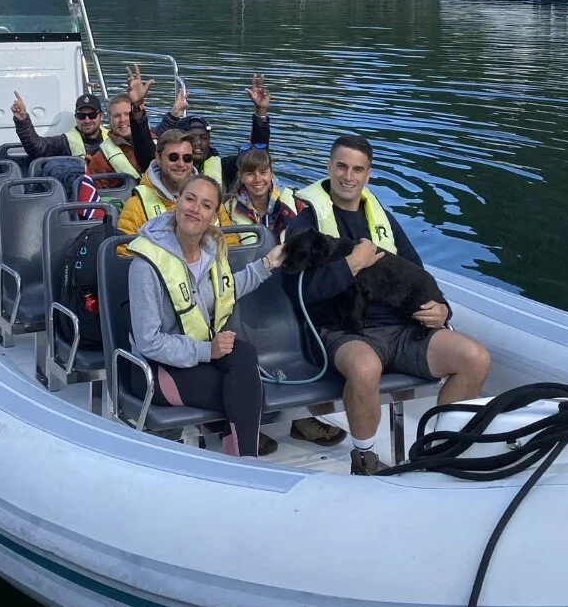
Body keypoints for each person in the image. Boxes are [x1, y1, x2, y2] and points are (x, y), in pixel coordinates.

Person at [284, 135, 491, 475]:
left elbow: (416, 274)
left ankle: (439, 449)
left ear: (368, 175)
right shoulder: (305, 225)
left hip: (400, 329)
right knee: (366, 367)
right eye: (342, 166)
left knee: (475, 358)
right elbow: (298, 293)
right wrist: (351, 265)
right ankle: (364, 457)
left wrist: (442, 310)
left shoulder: (382, 219)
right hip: (342, 331)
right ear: (329, 167)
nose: (349, 176)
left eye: (358, 169)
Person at [127, 177, 286, 458]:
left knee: (243, 354)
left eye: (206, 205)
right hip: (155, 368)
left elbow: (225, 291)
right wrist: (206, 350)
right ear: (177, 200)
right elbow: (148, 342)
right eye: (190, 199)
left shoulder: (209, 251)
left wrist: (267, 264)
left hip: (197, 356)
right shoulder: (146, 264)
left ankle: (242, 456)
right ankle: (247, 461)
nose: (195, 209)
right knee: (245, 395)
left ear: (214, 217)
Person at [226, 150, 346, 450]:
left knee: (304, 335)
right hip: (245, 287)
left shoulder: (292, 206)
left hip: (286, 285)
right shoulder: (226, 211)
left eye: (263, 172)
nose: (258, 179)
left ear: (271, 173)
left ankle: (299, 418)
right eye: (251, 173)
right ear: (241, 176)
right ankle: (250, 421)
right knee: (244, 349)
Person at [10, 67, 156, 169]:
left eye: (92, 115)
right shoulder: (64, 141)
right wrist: (22, 120)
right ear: (76, 117)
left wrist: (140, 105)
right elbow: (37, 148)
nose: (87, 120)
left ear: (101, 116)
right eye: (82, 115)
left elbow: (146, 141)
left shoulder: (118, 136)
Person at [155, 74, 271, 189]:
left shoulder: (225, 167)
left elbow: (257, 154)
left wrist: (261, 112)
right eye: (193, 138)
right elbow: (149, 147)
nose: (199, 142)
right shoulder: (166, 165)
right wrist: (172, 118)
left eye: (204, 138)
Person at [117, 128, 235, 240]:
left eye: (187, 158)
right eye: (173, 157)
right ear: (158, 158)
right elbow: (124, 254)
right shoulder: (136, 205)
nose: (181, 164)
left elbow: (232, 244)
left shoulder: (212, 199)